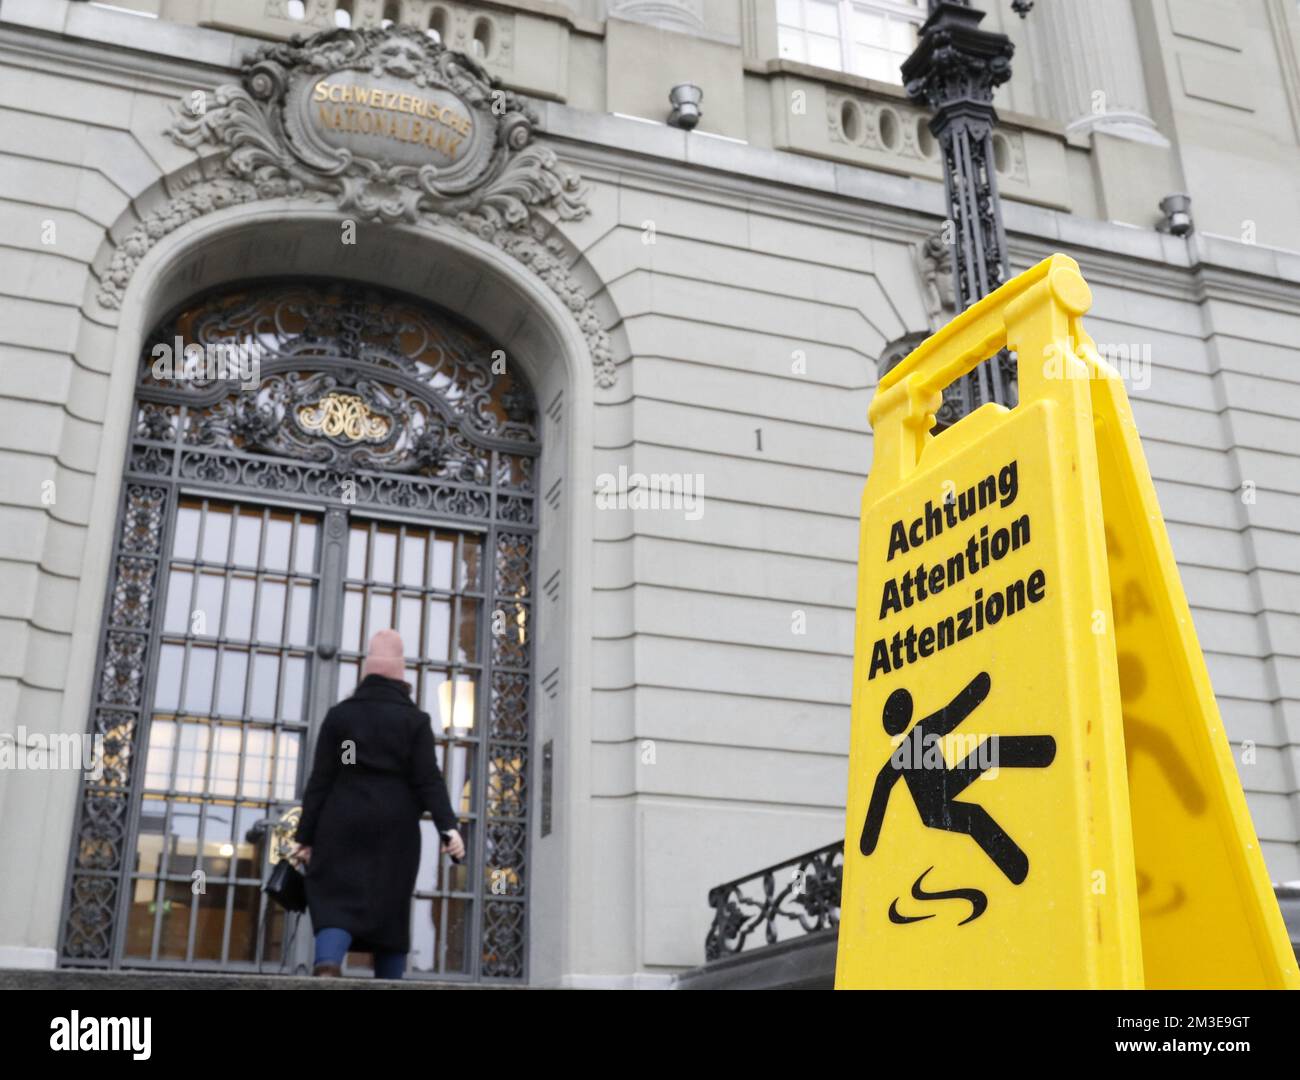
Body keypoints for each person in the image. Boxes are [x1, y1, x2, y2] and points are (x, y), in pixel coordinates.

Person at [290, 629, 466, 978]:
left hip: (342, 820)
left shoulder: (343, 717)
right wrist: (448, 827)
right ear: (402, 676)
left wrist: (304, 835)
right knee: (390, 906)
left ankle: (327, 965)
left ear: (366, 672)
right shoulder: (414, 721)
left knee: (336, 902)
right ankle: (389, 981)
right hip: (394, 828)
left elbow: (324, 778)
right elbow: (427, 778)